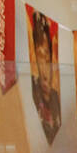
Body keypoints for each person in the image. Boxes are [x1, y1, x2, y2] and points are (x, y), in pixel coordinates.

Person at [30, 11, 61, 145]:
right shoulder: (32, 99)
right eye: (39, 60)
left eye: (47, 61)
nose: (44, 74)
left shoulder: (58, 98)